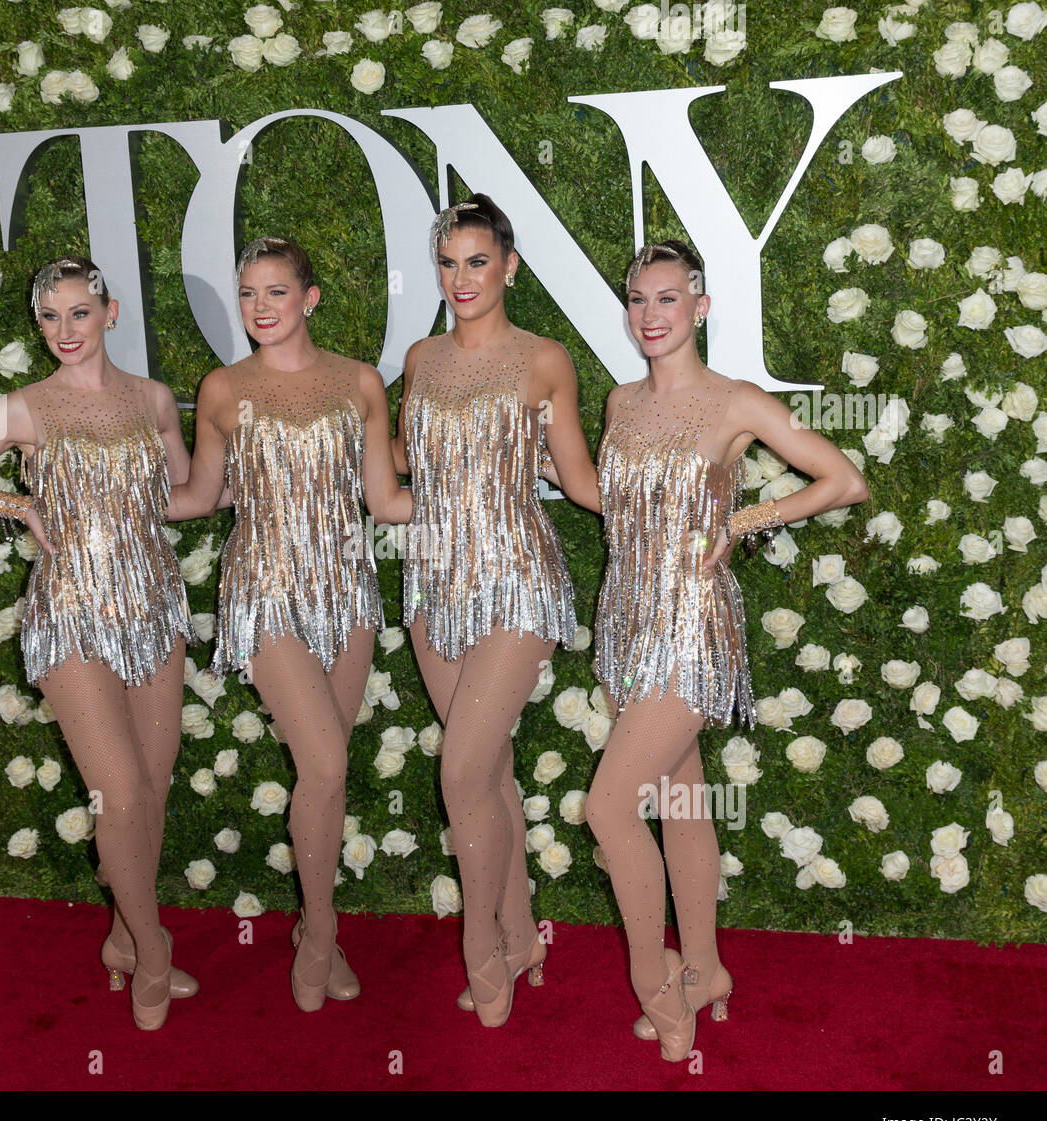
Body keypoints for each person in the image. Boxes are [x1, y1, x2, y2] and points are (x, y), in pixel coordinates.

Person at [566, 239, 869, 1061]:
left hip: (693, 627)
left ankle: (656, 983)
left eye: (667, 299)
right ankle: (705, 968)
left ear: (700, 307)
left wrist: (740, 522)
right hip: (626, 621)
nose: (650, 316)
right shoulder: (621, 403)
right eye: (638, 300)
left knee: (607, 808)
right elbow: (614, 503)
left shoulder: (737, 401)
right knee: (682, 800)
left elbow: (842, 479)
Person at [0, 255, 199, 1032]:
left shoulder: (152, 400)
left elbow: (180, 496)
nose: (64, 330)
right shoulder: (24, 408)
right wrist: (19, 504)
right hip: (71, 615)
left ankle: (119, 937)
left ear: (110, 313)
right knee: (123, 792)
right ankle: (151, 953)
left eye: (79, 312)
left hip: (154, 610)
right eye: (49, 317)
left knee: (155, 786)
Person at [168, 236, 411, 1011]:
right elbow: (202, 493)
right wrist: (97, 501)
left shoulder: (360, 382)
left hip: (346, 593)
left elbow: (385, 500)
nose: (259, 308)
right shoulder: (222, 388)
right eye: (247, 294)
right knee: (328, 767)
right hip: (264, 592)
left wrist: (479, 497)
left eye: (274, 292)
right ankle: (319, 931)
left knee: (324, 775)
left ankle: (319, 931)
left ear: (310, 298)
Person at [392, 195, 600, 1027]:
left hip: (517, 581)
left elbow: (578, 477)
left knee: (460, 770)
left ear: (508, 267)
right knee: (492, 774)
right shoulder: (420, 356)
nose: (461, 278)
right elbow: (409, 463)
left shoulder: (544, 359)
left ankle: (480, 945)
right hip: (434, 587)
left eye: (477, 261)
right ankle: (523, 936)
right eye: (448, 263)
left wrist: (673, 504)